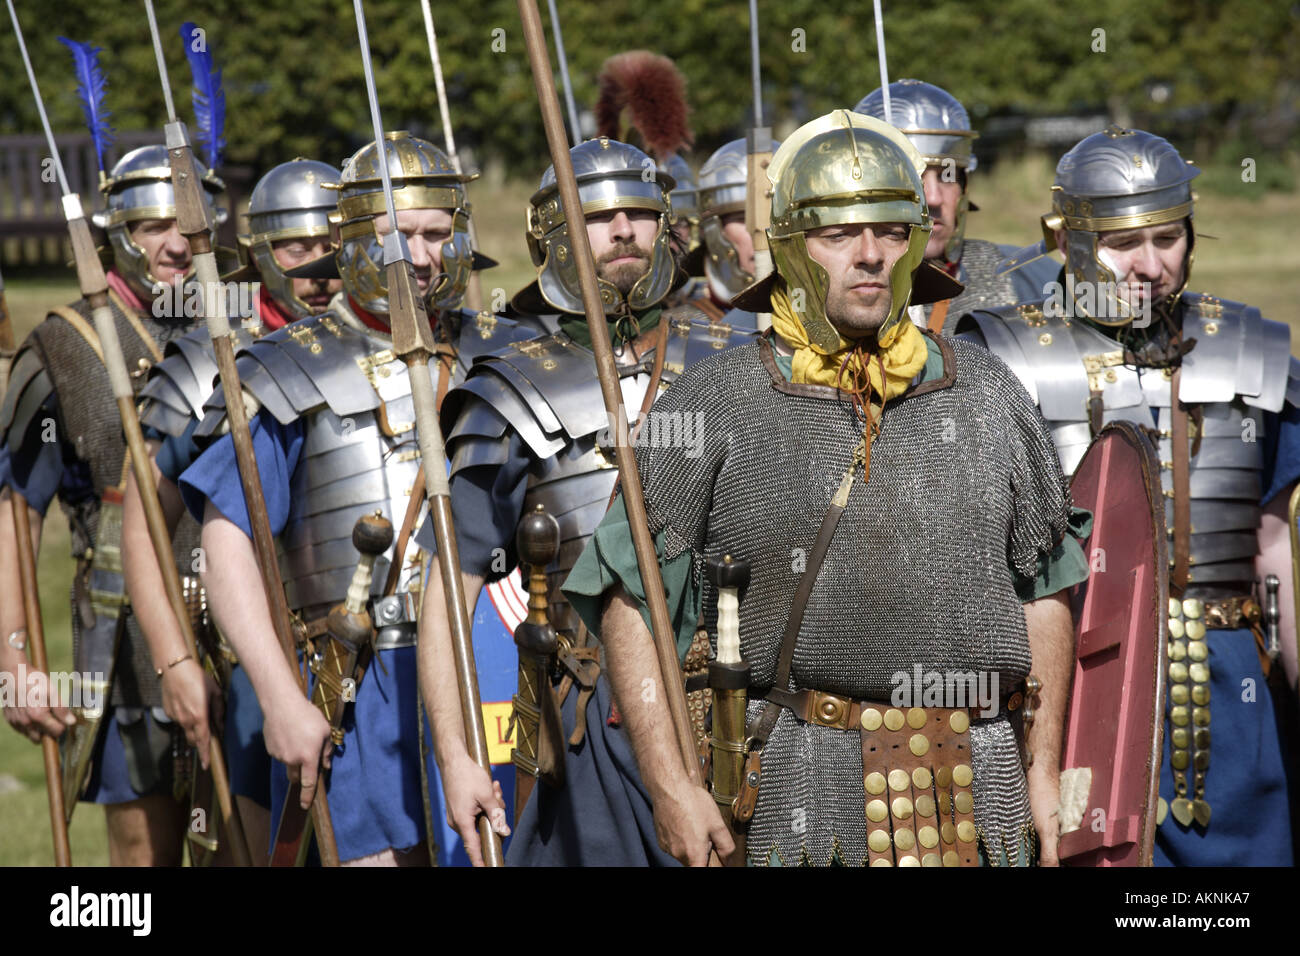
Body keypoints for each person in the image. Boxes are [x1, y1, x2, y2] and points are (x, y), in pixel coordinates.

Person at [563, 111, 1089, 867]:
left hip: (981, 794)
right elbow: (629, 601)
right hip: (806, 790)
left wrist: (1042, 769)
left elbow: (1044, 588)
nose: (869, 255)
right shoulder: (716, 403)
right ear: (789, 249)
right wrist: (671, 784)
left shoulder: (990, 393)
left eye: (889, 231)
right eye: (838, 235)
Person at [176, 132, 535, 865]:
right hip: (359, 686)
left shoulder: (506, 356)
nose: (422, 255)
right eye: (398, 235)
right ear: (349, 241)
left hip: (499, 672)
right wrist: (278, 696)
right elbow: (226, 542)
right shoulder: (287, 370)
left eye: (438, 233)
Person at [957, 125, 1300, 866]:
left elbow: (1273, 547)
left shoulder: (1246, 347)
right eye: (1123, 243)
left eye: (1169, 239)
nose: (1150, 266)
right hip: (1075, 683)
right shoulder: (1002, 354)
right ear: (1072, 242)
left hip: (1231, 683)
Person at [417, 136, 757, 866]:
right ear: (554, 238)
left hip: (739, 705)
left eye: (638, 212)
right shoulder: (509, 391)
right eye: (598, 217)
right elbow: (451, 586)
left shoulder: (742, 360)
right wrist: (457, 755)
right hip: (590, 726)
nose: (623, 231)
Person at [0, 145, 227, 865]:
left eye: (188, 228)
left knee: (245, 841)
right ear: (116, 237)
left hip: (243, 632)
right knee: (142, 863)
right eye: (152, 227)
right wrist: (13, 661)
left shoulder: (241, 326)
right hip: (122, 639)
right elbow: (16, 511)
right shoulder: (63, 347)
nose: (173, 247)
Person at [124, 158, 344, 861]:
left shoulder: (370, 349)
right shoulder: (211, 359)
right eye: (296, 249)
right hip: (251, 663)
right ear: (258, 256)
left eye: (332, 245)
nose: (319, 268)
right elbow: (142, 517)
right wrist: (175, 661)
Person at [855, 79, 1058, 333]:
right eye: (913, 178)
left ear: (965, 186)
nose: (933, 198)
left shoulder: (1034, 279)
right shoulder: (831, 296)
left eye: (947, 176)